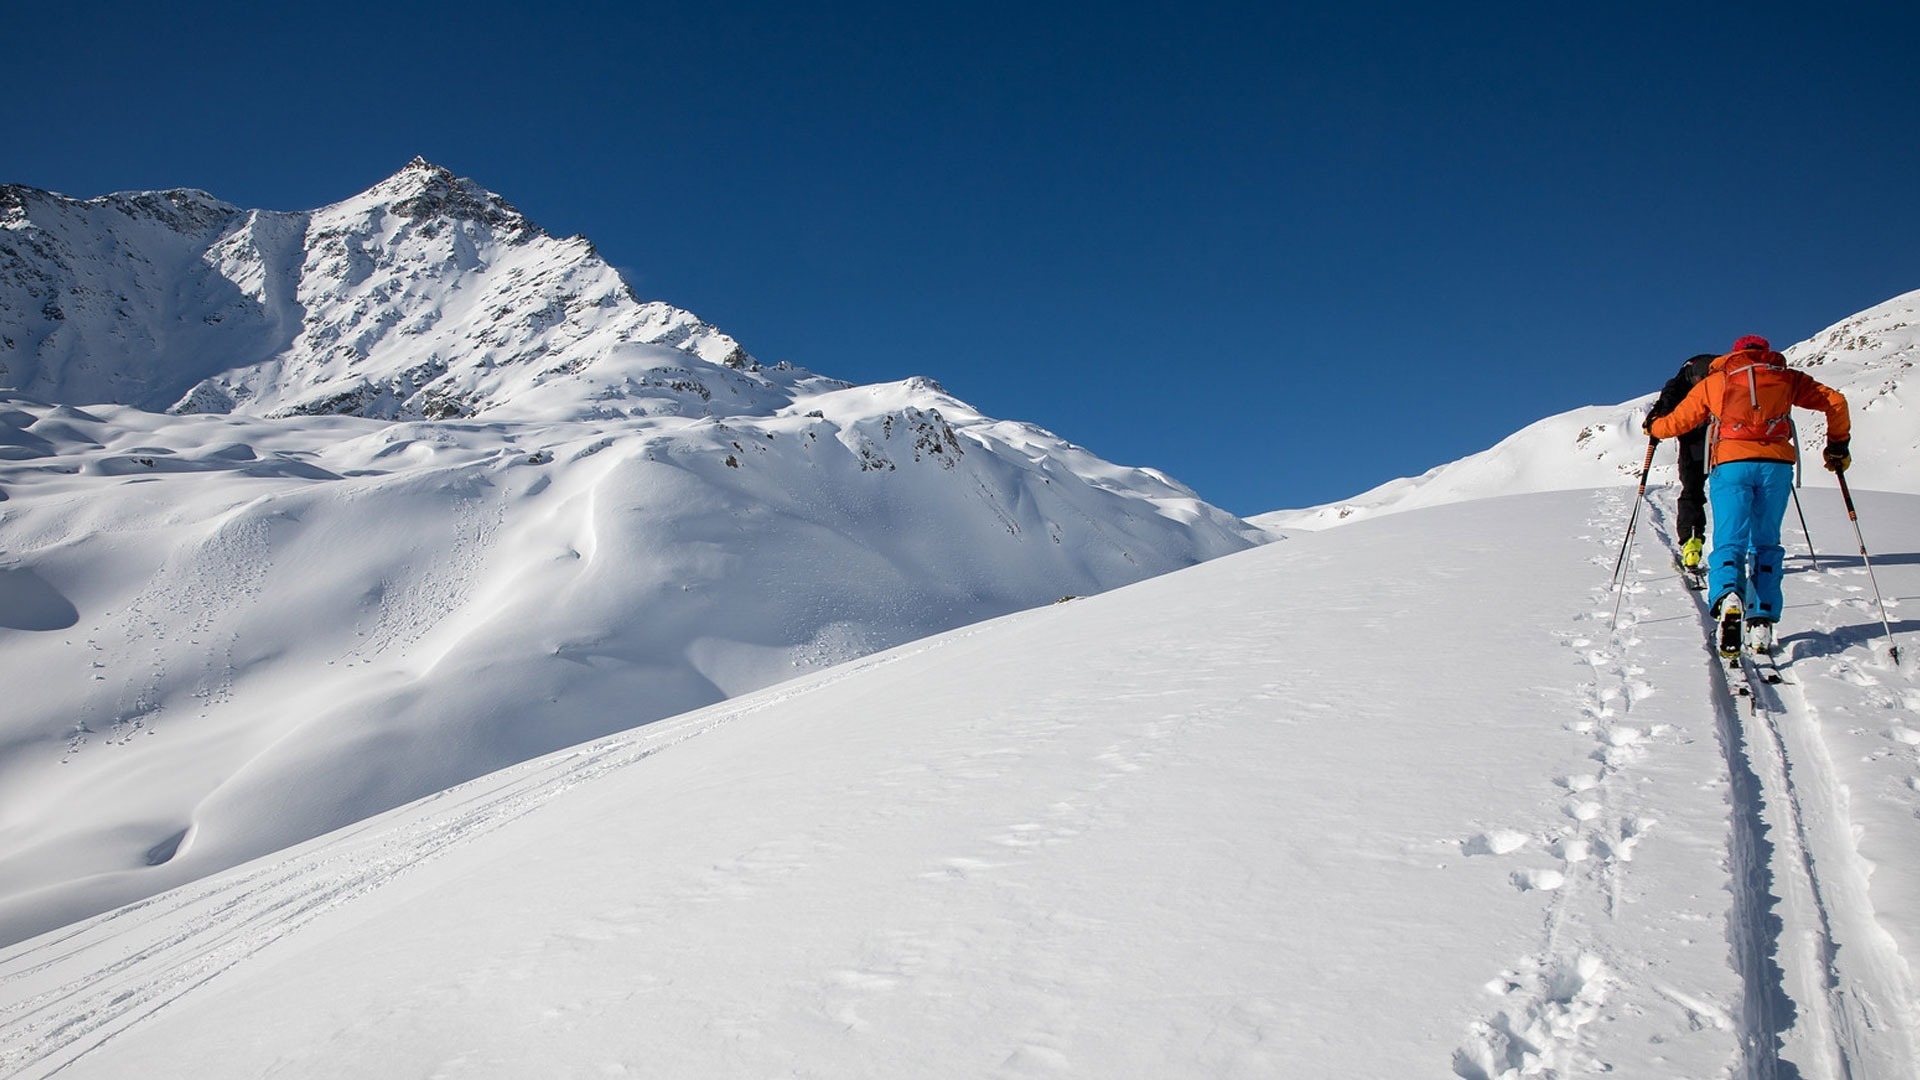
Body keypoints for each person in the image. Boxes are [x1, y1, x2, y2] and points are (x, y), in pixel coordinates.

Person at [1646, 334, 1851, 656]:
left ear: (1734, 354)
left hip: (1731, 465)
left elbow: (1677, 423)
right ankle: (1762, 620)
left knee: (1730, 541)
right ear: (1765, 353)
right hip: (1776, 467)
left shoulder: (1716, 381)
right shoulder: (1787, 378)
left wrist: (1653, 427)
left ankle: (1729, 596)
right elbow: (1835, 402)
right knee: (1766, 543)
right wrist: (1837, 445)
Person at [1646, 353, 1720, 573]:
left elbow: (1666, 408)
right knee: (1727, 495)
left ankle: (1691, 546)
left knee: (1692, 493)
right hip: (1725, 442)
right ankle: (1733, 550)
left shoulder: (1680, 382)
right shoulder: (1725, 375)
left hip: (1694, 444)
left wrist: (1655, 425)